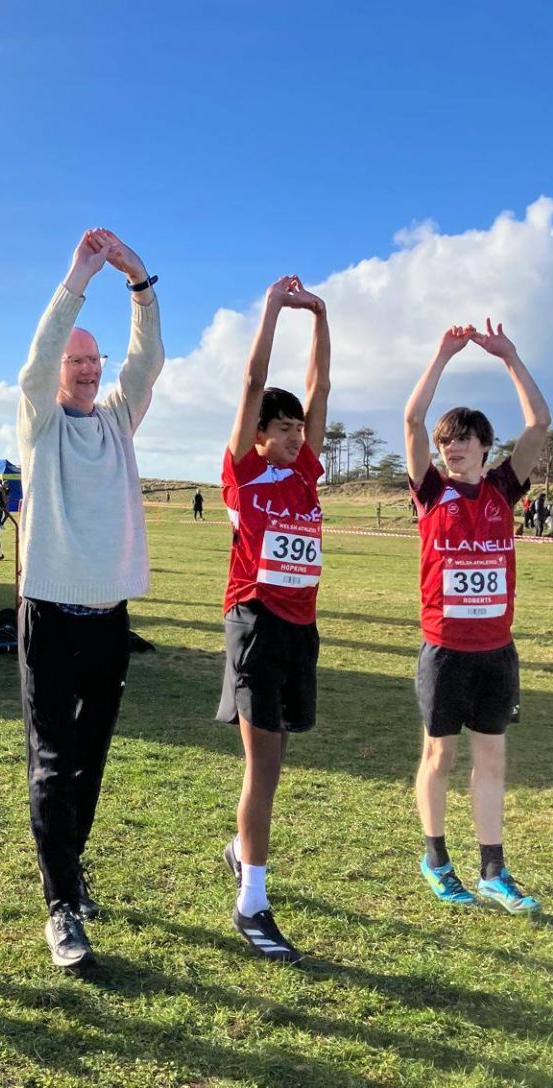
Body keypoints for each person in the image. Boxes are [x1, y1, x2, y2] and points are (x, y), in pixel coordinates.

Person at [17, 227, 163, 969]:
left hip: (109, 618)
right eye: (74, 361)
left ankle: (69, 870)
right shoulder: (40, 421)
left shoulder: (116, 417)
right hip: (48, 611)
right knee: (51, 760)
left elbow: (149, 362)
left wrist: (139, 281)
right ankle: (61, 907)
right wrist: (78, 274)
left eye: (90, 361)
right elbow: (38, 358)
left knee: (90, 759)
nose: (81, 370)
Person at [404, 318, 550, 915]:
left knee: (492, 758)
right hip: (444, 650)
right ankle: (436, 858)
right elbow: (411, 421)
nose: (452, 446)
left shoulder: (501, 491)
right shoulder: (430, 491)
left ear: (485, 446)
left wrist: (510, 356)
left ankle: (494, 868)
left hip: (496, 651)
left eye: (463, 438)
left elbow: (539, 424)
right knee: (439, 756)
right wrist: (440, 355)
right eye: (446, 442)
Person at [217, 274, 329, 963]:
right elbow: (255, 377)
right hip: (255, 623)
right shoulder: (242, 474)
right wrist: (272, 310)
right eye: (280, 430)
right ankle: (252, 903)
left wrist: (320, 316)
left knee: (277, 763)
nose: (292, 437)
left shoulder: (307, 475)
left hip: (301, 629)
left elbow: (319, 390)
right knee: (261, 772)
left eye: (296, 430)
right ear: (257, 437)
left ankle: (239, 851)